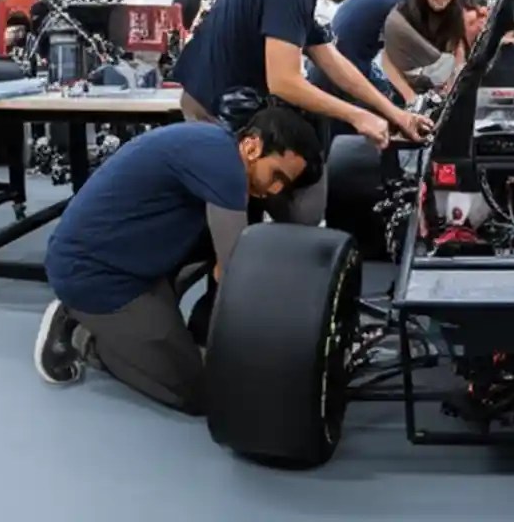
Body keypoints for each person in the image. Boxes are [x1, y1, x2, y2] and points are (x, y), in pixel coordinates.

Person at [34, 107, 324, 415]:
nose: (276, 190)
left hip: (133, 260)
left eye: (285, 185)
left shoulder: (216, 150)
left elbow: (286, 230)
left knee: (243, 234)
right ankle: (86, 334)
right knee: (196, 391)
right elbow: (236, 276)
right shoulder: (223, 164)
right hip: (93, 274)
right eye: (276, 175)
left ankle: (144, 325)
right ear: (251, 146)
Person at [171, 0, 432, 227]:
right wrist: (357, 116)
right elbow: (283, 82)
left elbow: (333, 60)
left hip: (232, 103)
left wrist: (395, 114)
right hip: (211, 106)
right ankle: (229, 271)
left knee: (258, 196)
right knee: (232, 200)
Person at [380, 0, 468, 105]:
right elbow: (387, 59)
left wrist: (451, 90)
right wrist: (411, 98)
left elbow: (457, 50)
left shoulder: (455, 13)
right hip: (399, 91)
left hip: (436, 92)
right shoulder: (403, 15)